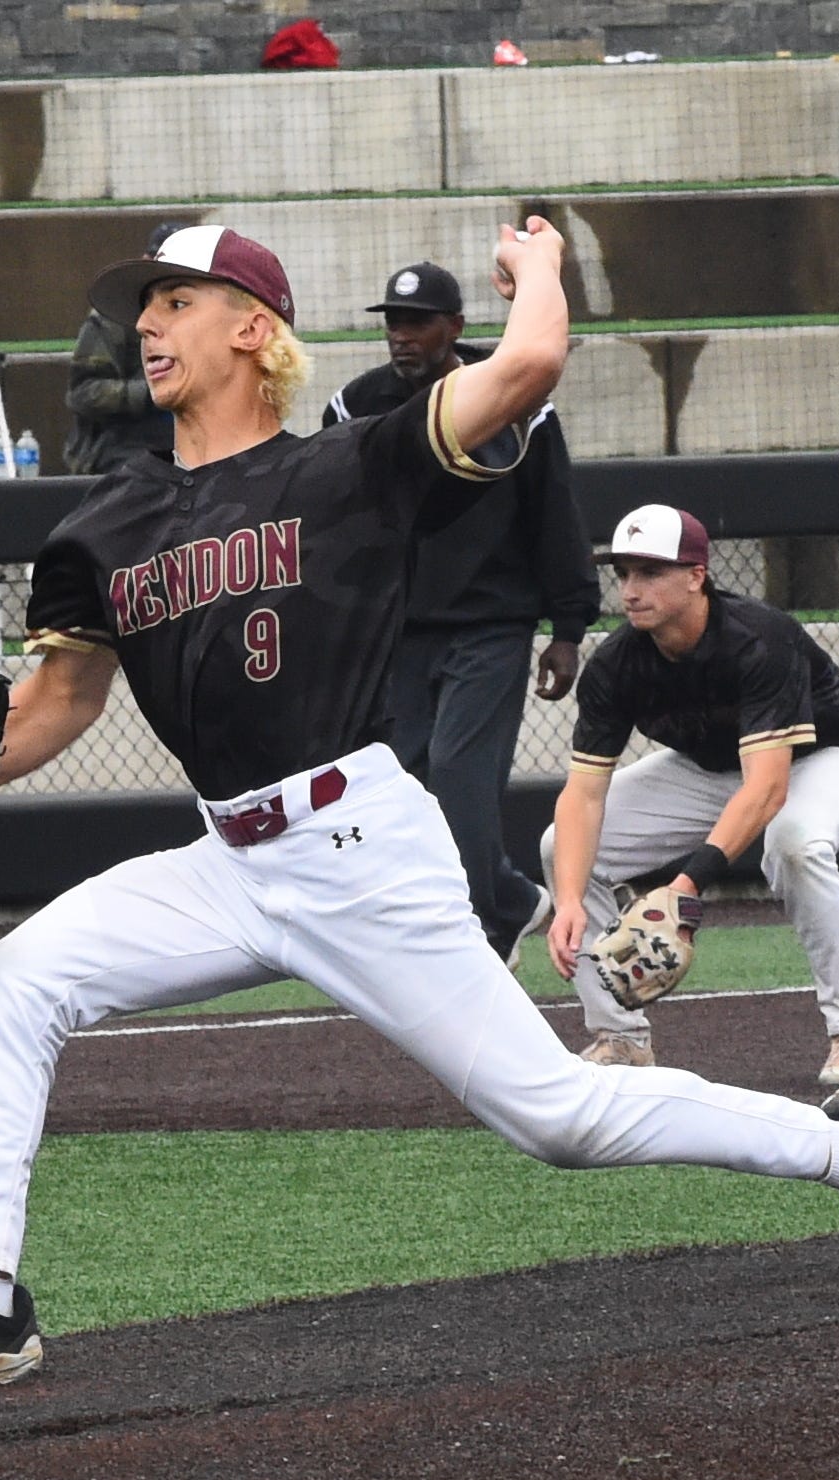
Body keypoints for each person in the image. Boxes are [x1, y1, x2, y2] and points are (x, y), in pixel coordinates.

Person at [0, 221, 839, 1408]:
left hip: (357, 849)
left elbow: (528, 368)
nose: (145, 321)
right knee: (15, 978)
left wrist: (541, 271)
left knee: (557, 1116)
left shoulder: (348, 466)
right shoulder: (104, 525)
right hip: (223, 859)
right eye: (143, 304)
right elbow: (59, 703)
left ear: (253, 328)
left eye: (176, 298)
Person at [541, 504, 839, 1090]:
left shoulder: (759, 638)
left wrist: (684, 886)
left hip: (819, 758)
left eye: (650, 572)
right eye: (624, 573)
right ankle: (620, 1039)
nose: (631, 590)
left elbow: (768, 787)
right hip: (707, 767)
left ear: (696, 576)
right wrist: (572, 898)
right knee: (564, 850)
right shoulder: (614, 666)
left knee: (796, 844)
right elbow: (583, 796)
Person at [322, 261, 597, 966]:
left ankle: (487, 922)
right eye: (392, 322)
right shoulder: (354, 405)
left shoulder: (513, 396)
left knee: (458, 774)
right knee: (401, 776)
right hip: (397, 632)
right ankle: (504, 895)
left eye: (417, 322)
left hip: (491, 624)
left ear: (455, 327)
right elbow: (331, 522)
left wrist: (567, 628)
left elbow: (553, 510)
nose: (401, 336)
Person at [62, 220, 186, 475]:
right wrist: (151, 393)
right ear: (146, 262)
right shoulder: (114, 316)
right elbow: (84, 393)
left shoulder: (200, 318)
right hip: (122, 445)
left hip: (188, 439)